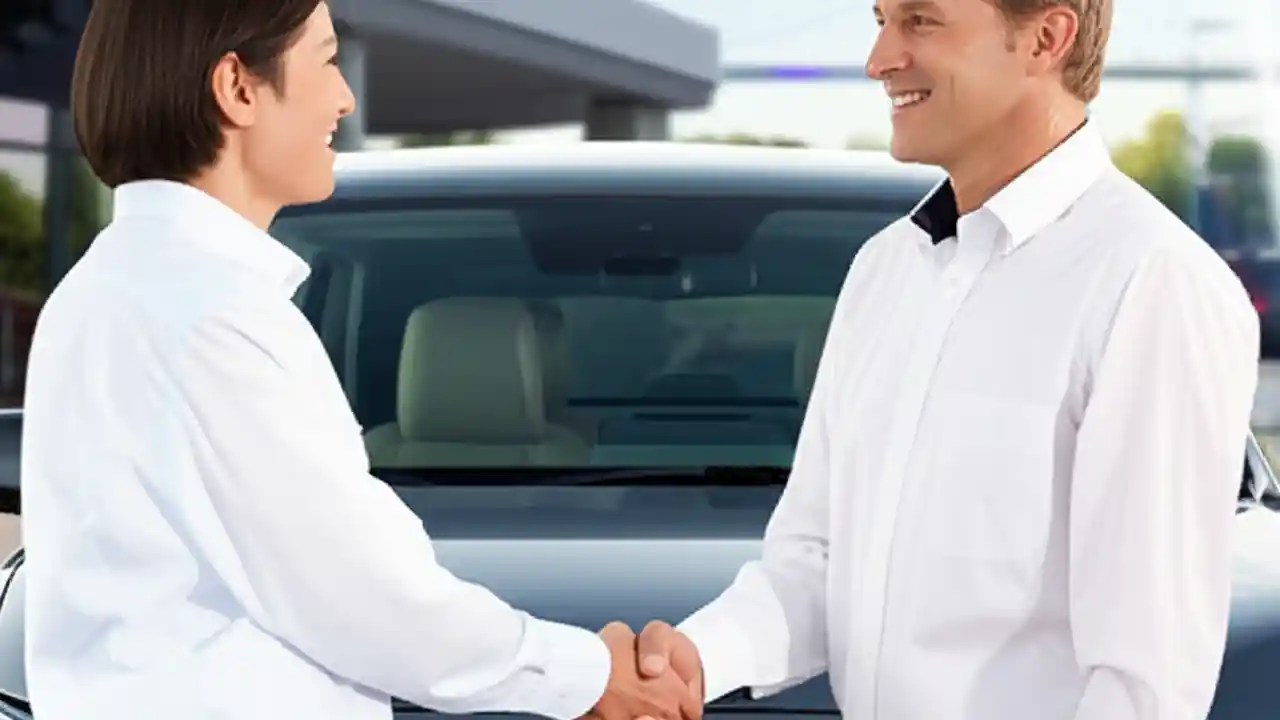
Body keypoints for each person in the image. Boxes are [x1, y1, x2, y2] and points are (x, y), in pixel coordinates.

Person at [18, 2, 700, 720]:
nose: (344, 98)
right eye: (326, 59)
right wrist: (589, 676)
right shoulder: (212, 316)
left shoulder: (107, 289)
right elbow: (363, 597)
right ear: (238, 88)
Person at [628, 0, 1261, 718]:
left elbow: (1146, 680)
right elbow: (818, 565)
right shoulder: (886, 271)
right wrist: (697, 658)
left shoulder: (1154, 281)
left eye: (920, 22)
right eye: (881, 21)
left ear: (1045, 39)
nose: (880, 61)